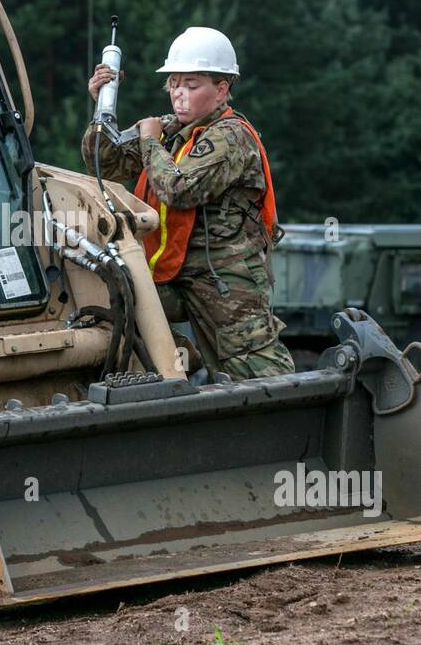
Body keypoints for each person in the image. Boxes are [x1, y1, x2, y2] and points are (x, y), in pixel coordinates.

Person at [82, 26, 294, 380]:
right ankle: (184, 363)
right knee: (117, 304)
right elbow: (107, 163)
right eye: (174, 84)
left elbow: (178, 189)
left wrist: (150, 143)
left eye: (192, 85)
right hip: (175, 273)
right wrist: (103, 105)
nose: (179, 95)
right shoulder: (169, 131)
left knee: (254, 373)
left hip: (227, 280)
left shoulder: (231, 138)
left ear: (222, 89)